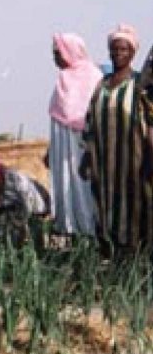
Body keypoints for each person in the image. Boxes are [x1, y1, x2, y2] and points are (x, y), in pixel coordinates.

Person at [80, 24, 153, 254]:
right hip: (104, 164)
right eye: (114, 49)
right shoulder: (100, 86)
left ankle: (133, 255)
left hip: (133, 161)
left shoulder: (139, 86)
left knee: (134, 207)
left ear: (133, 53)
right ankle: (110, 252)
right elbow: (90, 123)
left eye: (124, 49)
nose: (118, 53)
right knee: (106, 206)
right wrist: (87, 156)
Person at [45, 33, 102, 237]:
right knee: (65, 184)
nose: (55, 58)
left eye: (57, 53)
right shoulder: (62, 81)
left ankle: (90, 234)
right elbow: (59, 119)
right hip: (63, 149)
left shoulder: (94, 77)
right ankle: (69, 230)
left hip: (82, 147)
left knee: (83, 187)